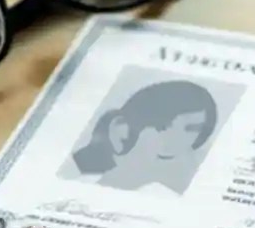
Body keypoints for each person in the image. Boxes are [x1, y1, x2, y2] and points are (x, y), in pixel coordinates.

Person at [72, 78, 219, 193]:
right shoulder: (82, 183)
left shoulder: (166, 193)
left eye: (191, 129)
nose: (174, 137)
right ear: (121, 130)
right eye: (163, 126)